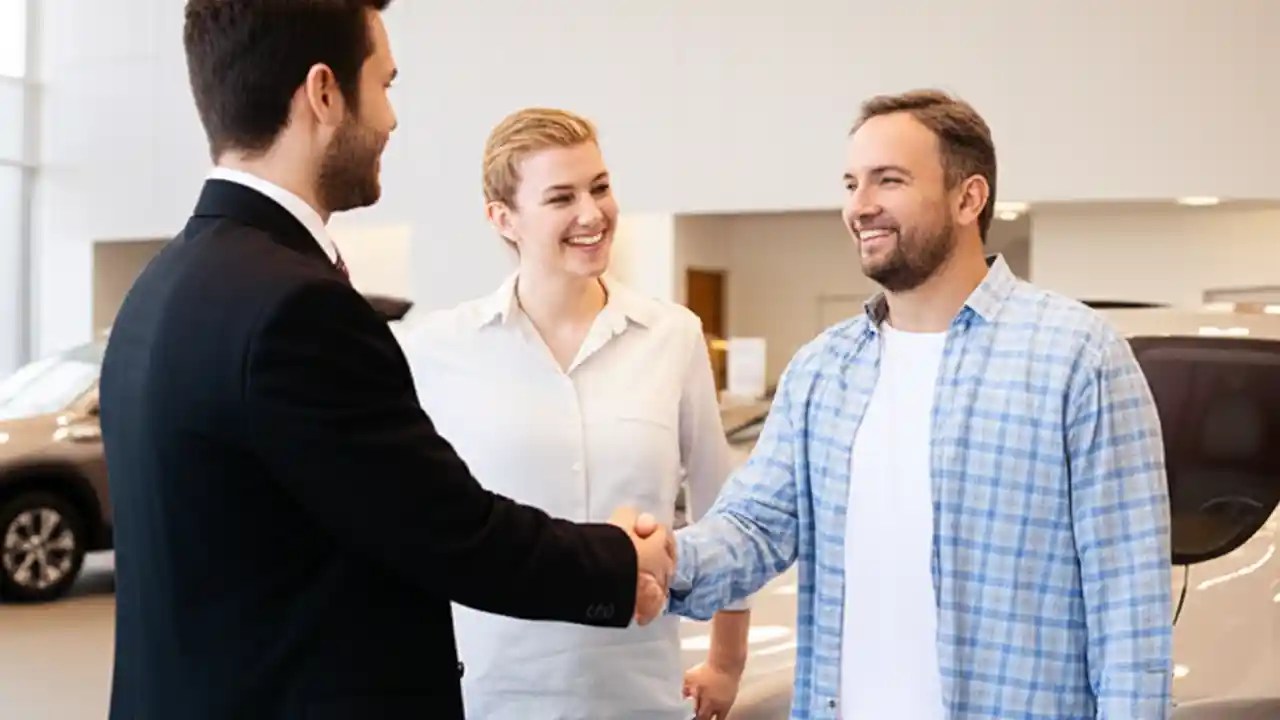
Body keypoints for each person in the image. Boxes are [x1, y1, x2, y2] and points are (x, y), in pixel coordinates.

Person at [98, 3, 673, 719]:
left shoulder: (157, 289)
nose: (393, 119)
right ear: (324, 93)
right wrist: (618, 562)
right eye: (384, 83)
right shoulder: (296, 308)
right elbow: (443, 527)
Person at [663, 89, 1174, 718]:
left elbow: (1129, 605)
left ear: (968, 198)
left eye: (889, 180)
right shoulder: (823, 369)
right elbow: (754, 528)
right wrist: (659, 561)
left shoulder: (1078, 357)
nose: (860, 206)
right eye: (851, 183)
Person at [399, 107, 750, 720]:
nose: (592, 213)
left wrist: (726, 661)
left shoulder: (672, 335)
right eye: (561, 197)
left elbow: (723, 511)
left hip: (639, 695)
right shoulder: (437, 348)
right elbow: (411, 523)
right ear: (502, 218)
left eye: (600, 187)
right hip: (487, 695)